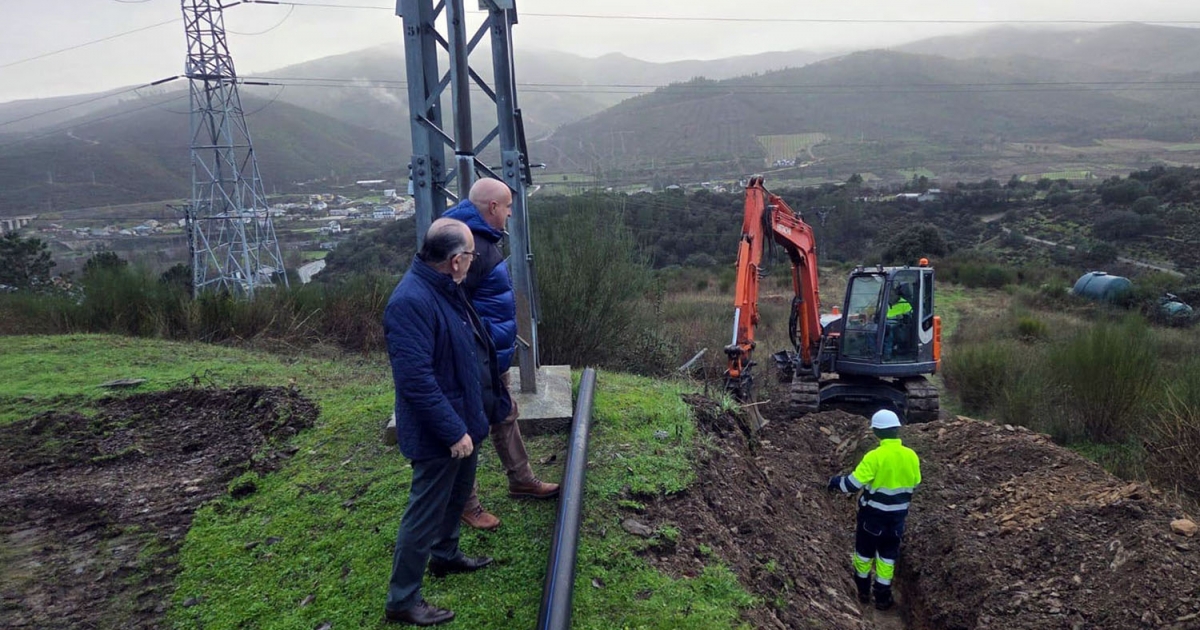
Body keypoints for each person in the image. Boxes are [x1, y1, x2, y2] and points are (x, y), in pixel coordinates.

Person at [383, 218, 512, 626]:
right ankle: (402, 600)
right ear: (456, 261)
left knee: (456, 497)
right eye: (471, 255)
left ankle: (446, 556)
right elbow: (415, 381)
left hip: (465, 420)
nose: (474, 261)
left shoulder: (445, 287)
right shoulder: (410, 302)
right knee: (423, 513)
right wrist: (452, 430)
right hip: (441, 432)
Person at [443, 178, 560, 531]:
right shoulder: (467, 245)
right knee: (471, 427)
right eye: (507, 207)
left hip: (490, 356)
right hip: (473, 360)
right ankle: (467, 504)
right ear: (493, 207)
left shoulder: (478, 239)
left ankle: (521, 479)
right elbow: (449, 305)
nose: (510, 214)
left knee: (505, 414)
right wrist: (470, 353)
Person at [827, 409, 922, 611]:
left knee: (863, 554)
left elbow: (852, 485)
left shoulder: (874, 457)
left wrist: (834, 482)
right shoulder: (911, 455)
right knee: (888, 557)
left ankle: (862, 592)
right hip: (897, 518)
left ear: (877, 432)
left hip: (872, 517)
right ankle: (882, 597)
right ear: (897, 429)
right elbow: (916, 483)